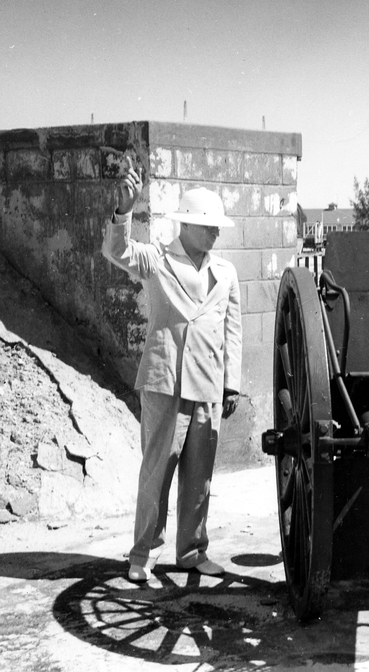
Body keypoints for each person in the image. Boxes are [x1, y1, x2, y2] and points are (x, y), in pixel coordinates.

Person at [103, 157, 242, 583]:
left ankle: (192, 552)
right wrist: (123, 211)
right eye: (209, 225)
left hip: (207, 386)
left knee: (199, 478)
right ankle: (142, 554)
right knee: (157, 472)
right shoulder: (157, 260)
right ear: (186, 225)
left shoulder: (226, 271)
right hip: (164, 383)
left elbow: (232, 330)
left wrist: (231, 384)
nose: (216, 232)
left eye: (218, 226)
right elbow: (117, 250)